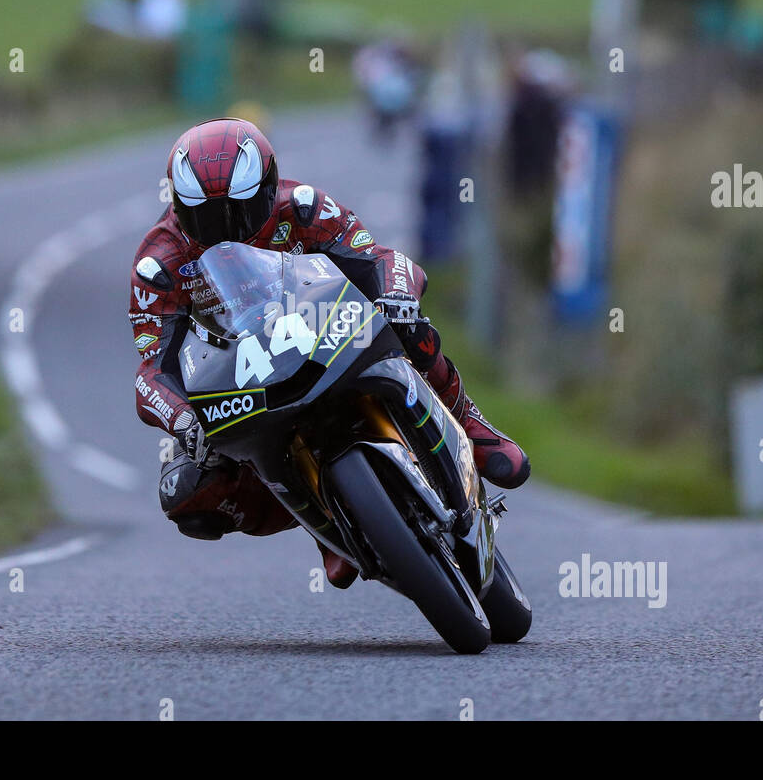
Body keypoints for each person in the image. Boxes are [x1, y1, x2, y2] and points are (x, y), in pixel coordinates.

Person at [129, 117, 530, 588]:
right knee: (187, 494)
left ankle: (470, 425)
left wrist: (396, 293)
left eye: (242, 211)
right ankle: (328, 526)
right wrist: (183, 421)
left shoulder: (303, 207)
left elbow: (378, 258)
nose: (228, 231)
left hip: (322, 327)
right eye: (208, 218)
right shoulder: (158, 264)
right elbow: (153, 367)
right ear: (178, 207)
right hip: (236, 371)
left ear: (270, 186)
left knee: (412, 327)